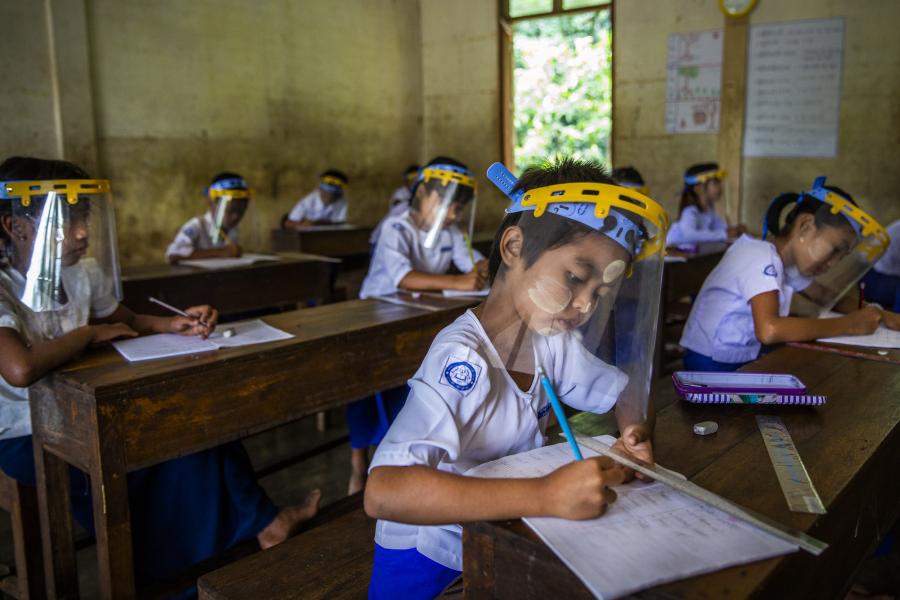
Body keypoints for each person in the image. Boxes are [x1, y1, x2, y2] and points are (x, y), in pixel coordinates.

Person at [0, 156, 320, 589]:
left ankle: (252, 531)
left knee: (196, 425)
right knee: (145, 470)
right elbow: (20, 368)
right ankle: (175, 577)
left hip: (83, 410)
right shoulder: (3, 287)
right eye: (67, 219)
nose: (81, 232)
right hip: (28, 431)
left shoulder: (80, 274)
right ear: (15, 226)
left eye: (83, 217)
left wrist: (176, 324)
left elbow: (126, 319)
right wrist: (89, 334)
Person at [364, 156, 670, 599]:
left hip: (497, 539)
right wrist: (544, 495)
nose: (585, 304)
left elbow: (623, 391)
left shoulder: (551, 340)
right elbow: (385, 492)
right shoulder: (462, 360)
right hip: (432, 564)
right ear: (512, 248)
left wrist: (633, 433)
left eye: (599, 292)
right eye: (575, 277)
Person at [680, 177, 899, 372]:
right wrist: (849, 324)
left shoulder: (785, 263)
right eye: (835, 249)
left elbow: (826, 296)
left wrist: (879, 313)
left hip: (737, 357)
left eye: (842, 256)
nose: (833, 263)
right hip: (709, 366)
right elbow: (769, 330)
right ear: (805, 226)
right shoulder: (759, 255)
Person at [166, 172, 252, 264]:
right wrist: (222, 252)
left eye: (241, 211)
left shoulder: (232, 230)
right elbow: (173, 254)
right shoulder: (197, 225)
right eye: (230, 211)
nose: (236, 217)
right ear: (211, 203)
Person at [667, 163, 745, 246]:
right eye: (715, 183)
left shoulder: (708, 212)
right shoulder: (689, 211)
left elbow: (721, 228)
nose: (720, 188)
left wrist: (736, 230)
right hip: (672, 257)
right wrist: (724, 234)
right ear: (698, 188)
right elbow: (690, 235)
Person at [283, 169, 348, 227]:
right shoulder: (308, 201)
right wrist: (303, 225)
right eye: (326, 194)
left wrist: (316, 223)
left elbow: (340, 223)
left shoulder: (341, 200)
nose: (330, 198)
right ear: (320, 189)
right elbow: (288, 223)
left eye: (334, 196)